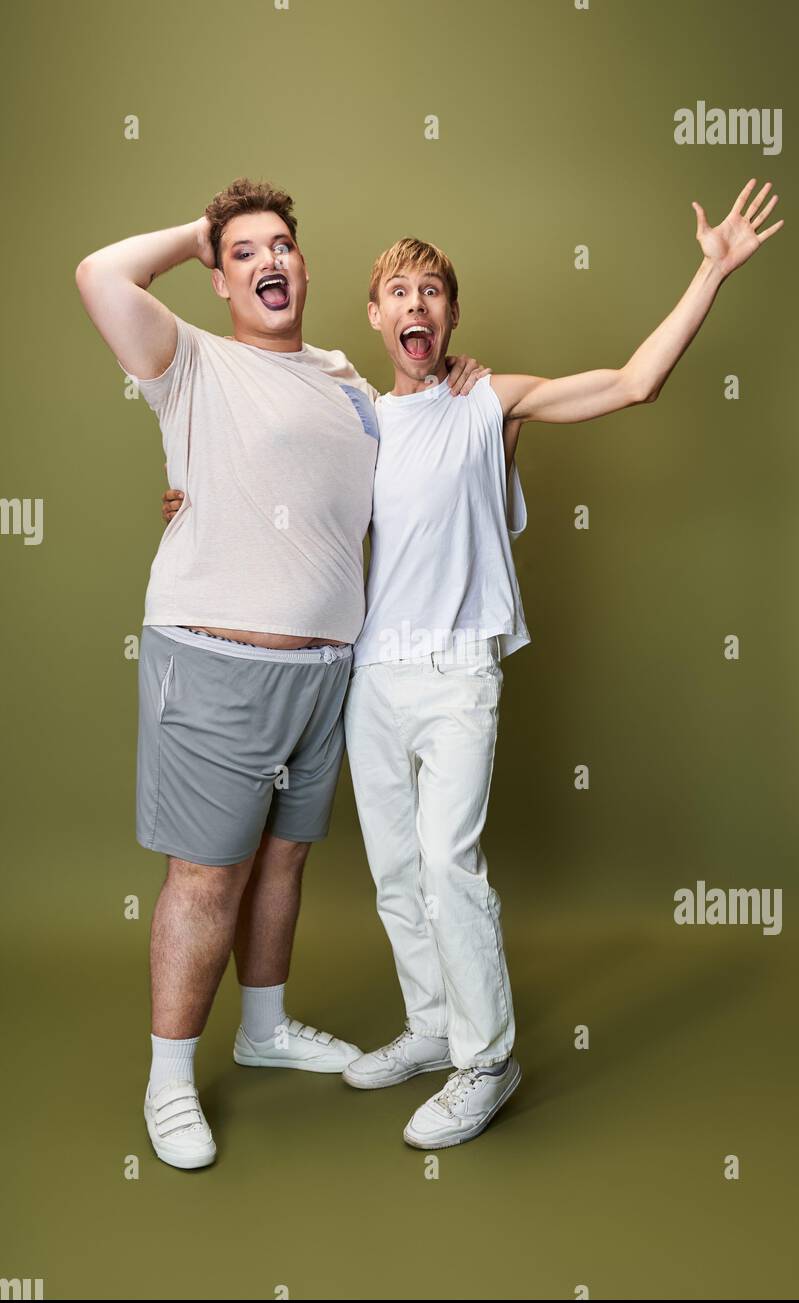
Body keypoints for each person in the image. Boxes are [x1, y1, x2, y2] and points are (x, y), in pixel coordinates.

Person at [163, 177, 784, 1151]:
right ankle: (429, 1024)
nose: (415, 306)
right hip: (372, 672)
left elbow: (631, 382)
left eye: (431, 292)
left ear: (449, 313)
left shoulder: (486, 401)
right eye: (397, 293)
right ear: (373, 316)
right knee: (397, 871)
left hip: (456, 671)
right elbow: (277, 491)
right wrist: (190, 503)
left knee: (451, 863)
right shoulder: (357, 418)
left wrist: (708, 272)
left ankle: (484, 1060)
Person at [75, 177, 487, 1171]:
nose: (269, 262)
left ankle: (263, 1027)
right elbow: (97, 274)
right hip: (215, 660)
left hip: (326, 672)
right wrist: (200, 232)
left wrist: (450, 385)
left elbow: (400, 471)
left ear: (305, 267)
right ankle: (169, 1078)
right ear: (220, 277)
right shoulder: (189, 360)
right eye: (245, 252)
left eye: (282, 247)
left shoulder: (345, 376)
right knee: (205, 874)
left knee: (283, 860)